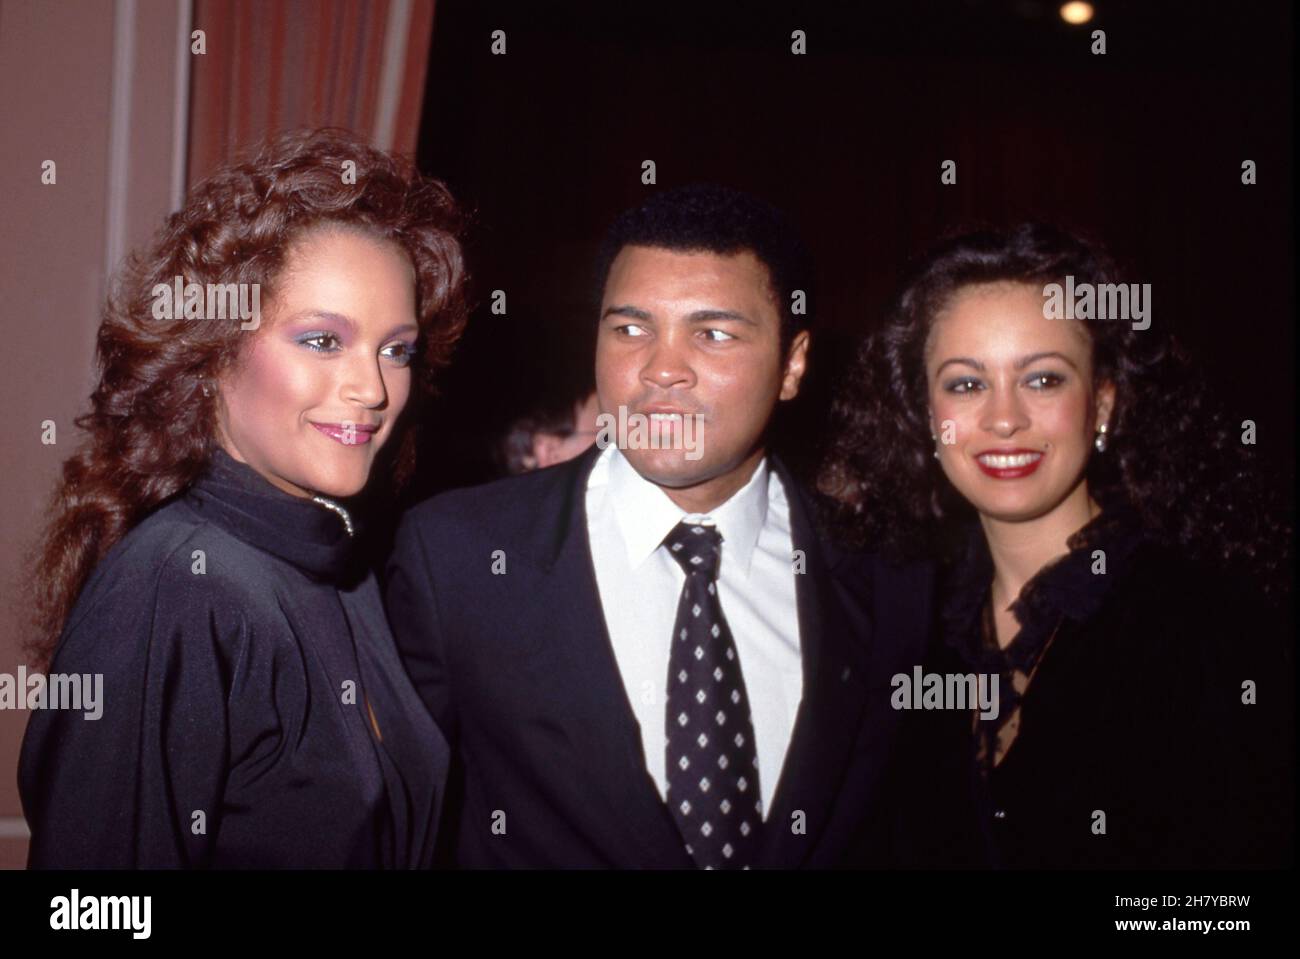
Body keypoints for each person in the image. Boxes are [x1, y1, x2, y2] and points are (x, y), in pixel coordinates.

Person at [385, 184, 934, 868]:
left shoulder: (890, 578)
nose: (661, 368)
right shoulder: (457, 558)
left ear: (793, 363)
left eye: (713, 333)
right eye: (630, 328)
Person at [19, 127, 467, 868]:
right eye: (323, 340)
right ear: (213, 352)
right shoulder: (178, 587)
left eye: (397, 348)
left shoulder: (337, 564)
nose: (374, 388)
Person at [819, 223, 1293, 869]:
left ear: (1102, 402)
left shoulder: (1206, 628)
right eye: (965, 383)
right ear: (927, 416)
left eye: (1042, 379)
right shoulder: (912, 626)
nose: (1003, 417)